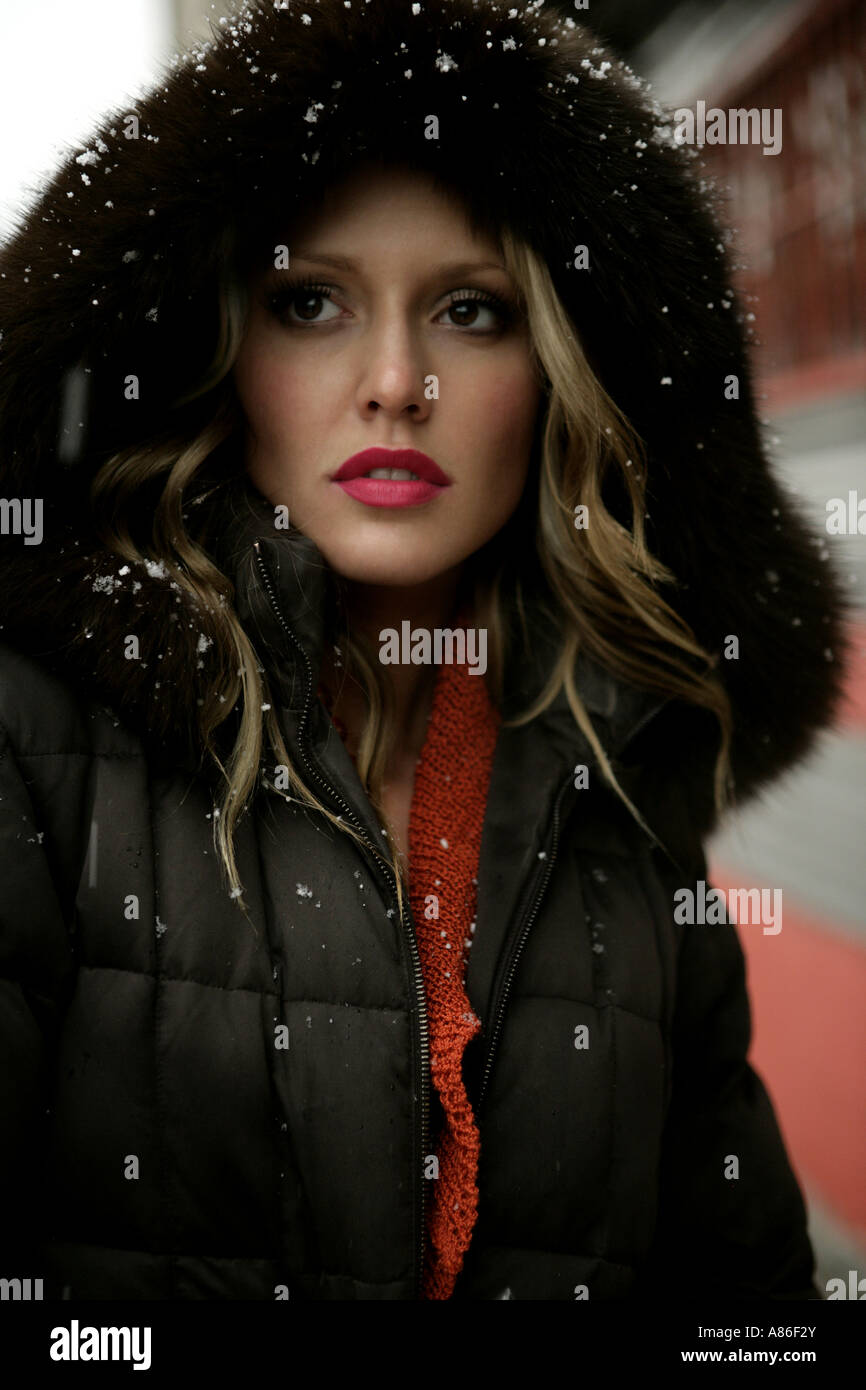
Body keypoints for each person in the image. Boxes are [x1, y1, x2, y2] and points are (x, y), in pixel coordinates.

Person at [0, 0, 848, 1301]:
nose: (395, 380)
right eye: (310, 302)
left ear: (558, 366)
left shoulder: (624, 784)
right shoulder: (32, 739)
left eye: (469, 309)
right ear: (218, 348)